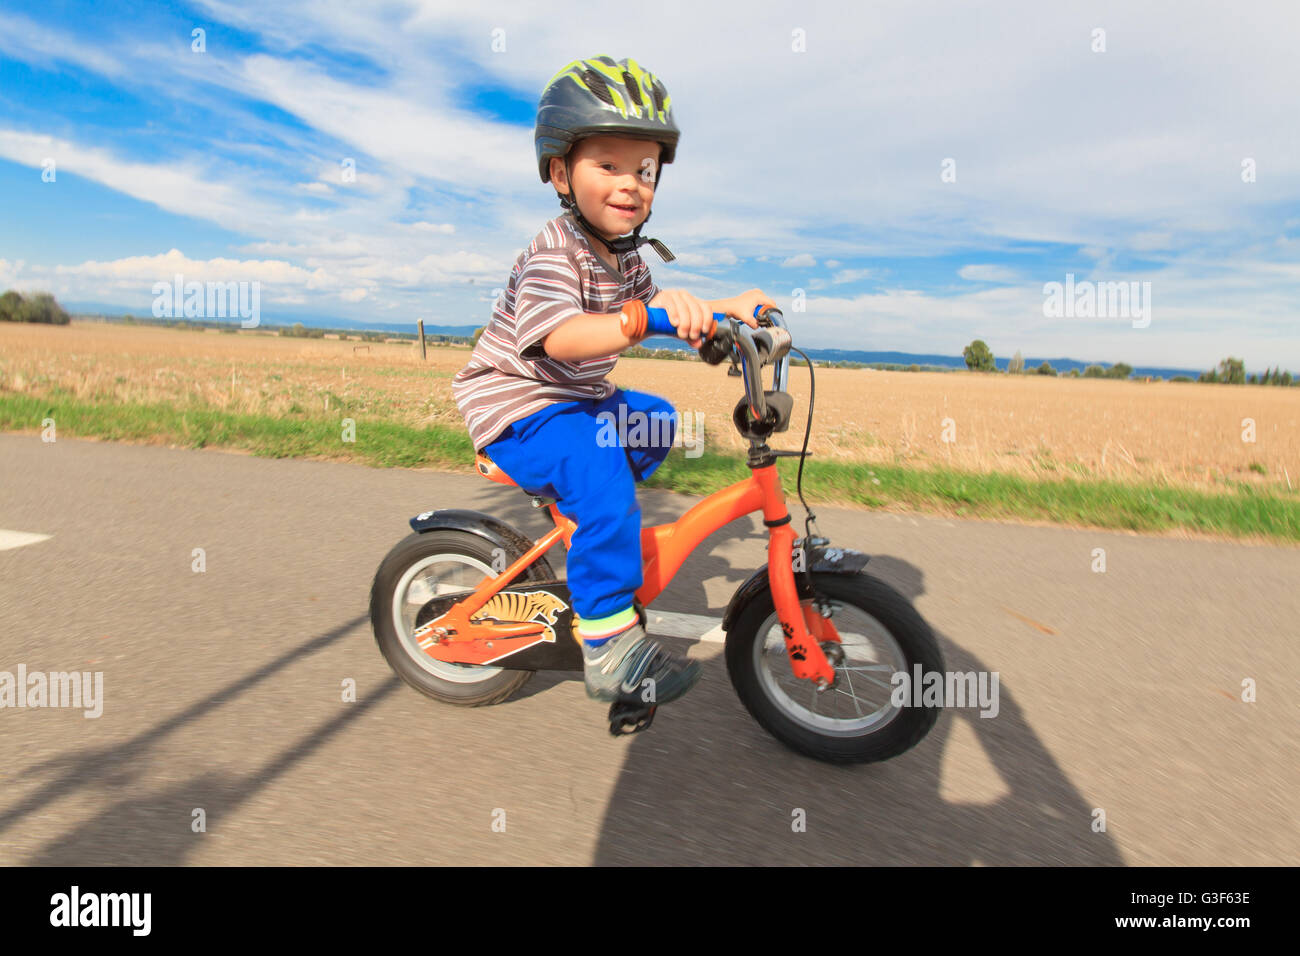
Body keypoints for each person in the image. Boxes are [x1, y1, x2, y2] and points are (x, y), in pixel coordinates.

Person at [452, 55, 775, 715]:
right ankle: (607, 647)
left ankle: (593, 528)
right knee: (601, 476)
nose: (631, 184)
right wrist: (638, 320)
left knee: (655, 422)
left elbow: (666, 316)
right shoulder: (553, 253)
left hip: (574, 400)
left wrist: (722, 317)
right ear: (559, 172)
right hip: (519, 406)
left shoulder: (626, 256)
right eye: (609, 165)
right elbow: (560, 338)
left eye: (645, 170)